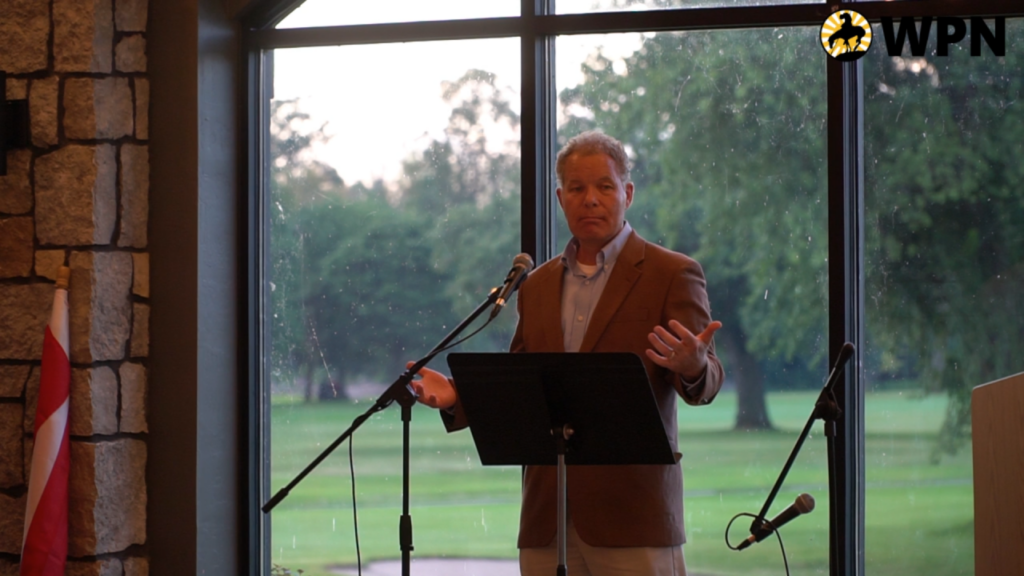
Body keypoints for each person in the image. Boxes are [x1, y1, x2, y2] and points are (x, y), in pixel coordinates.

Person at [409, 131, 724, 576]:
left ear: (628, 193)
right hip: (546, 518)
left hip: (633, 516)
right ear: (560, 198)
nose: (590, 199)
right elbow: (522, 383)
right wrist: (458, 398)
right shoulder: (534, 285)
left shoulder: (672, 273)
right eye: (577, 189)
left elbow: (704, 381)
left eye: (604, 187)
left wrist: (694, 367)